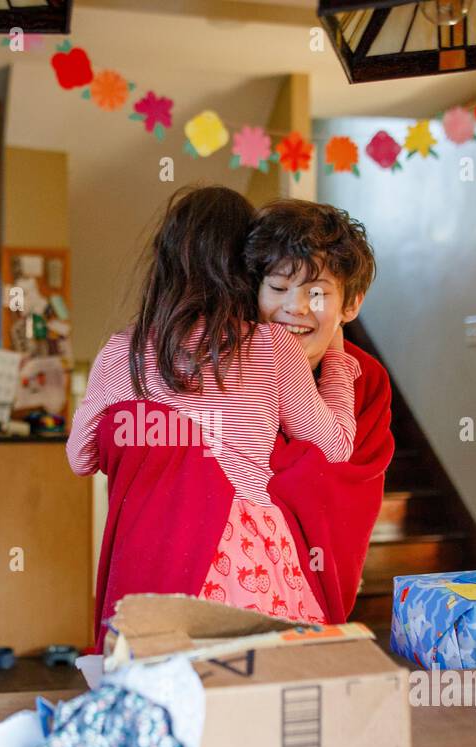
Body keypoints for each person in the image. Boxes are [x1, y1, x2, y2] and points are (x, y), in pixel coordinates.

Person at [67, 186, 360, 648]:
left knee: (169, 694)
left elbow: (80, 456)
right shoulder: (272, 347)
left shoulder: (122, 353)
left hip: (151, 558)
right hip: (249, 558)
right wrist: (338, 355)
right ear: (247, 269)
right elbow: (334, 444)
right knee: (261, 697)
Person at [248, 199, 395, 626]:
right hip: (240, 575)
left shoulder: (366, 378)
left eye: (317, 292)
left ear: (351, 305)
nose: (295, 307)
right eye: (277, 289)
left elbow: (347, 479)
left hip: (311, 589)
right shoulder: (233, 366)